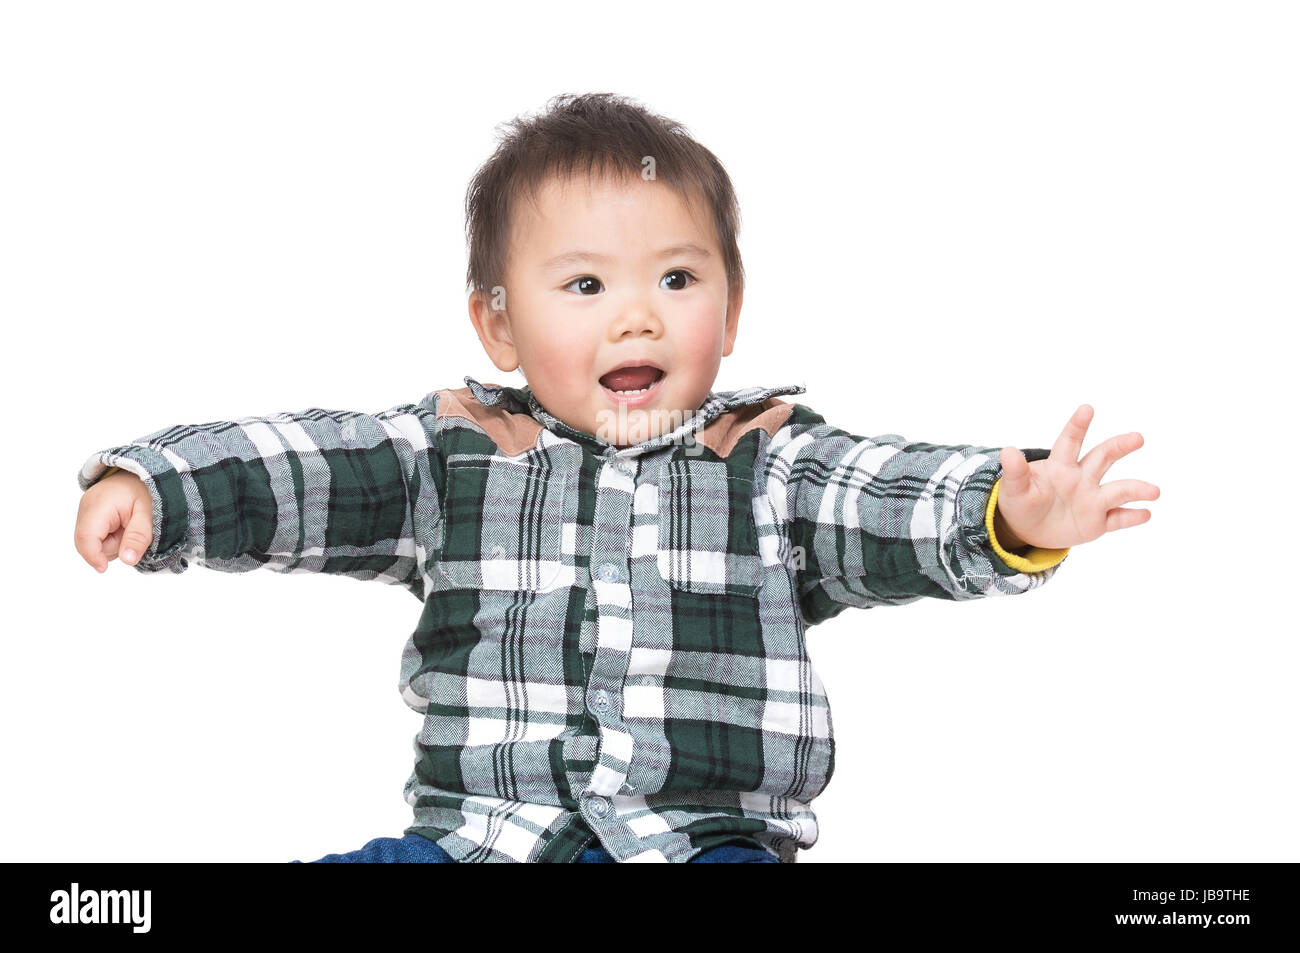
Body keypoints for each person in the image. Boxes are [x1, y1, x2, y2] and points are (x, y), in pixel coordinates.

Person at [72, 93, 1159, 863]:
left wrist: (1006, 510)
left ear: (730, 311)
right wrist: (158, 486)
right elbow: (306, 466)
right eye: (584, 283)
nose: (636, 313)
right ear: (497, 323)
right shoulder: (456, 456)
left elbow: (883, 494)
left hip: (697, 843)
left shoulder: (766, 463)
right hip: (476, 841)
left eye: (676, 278)